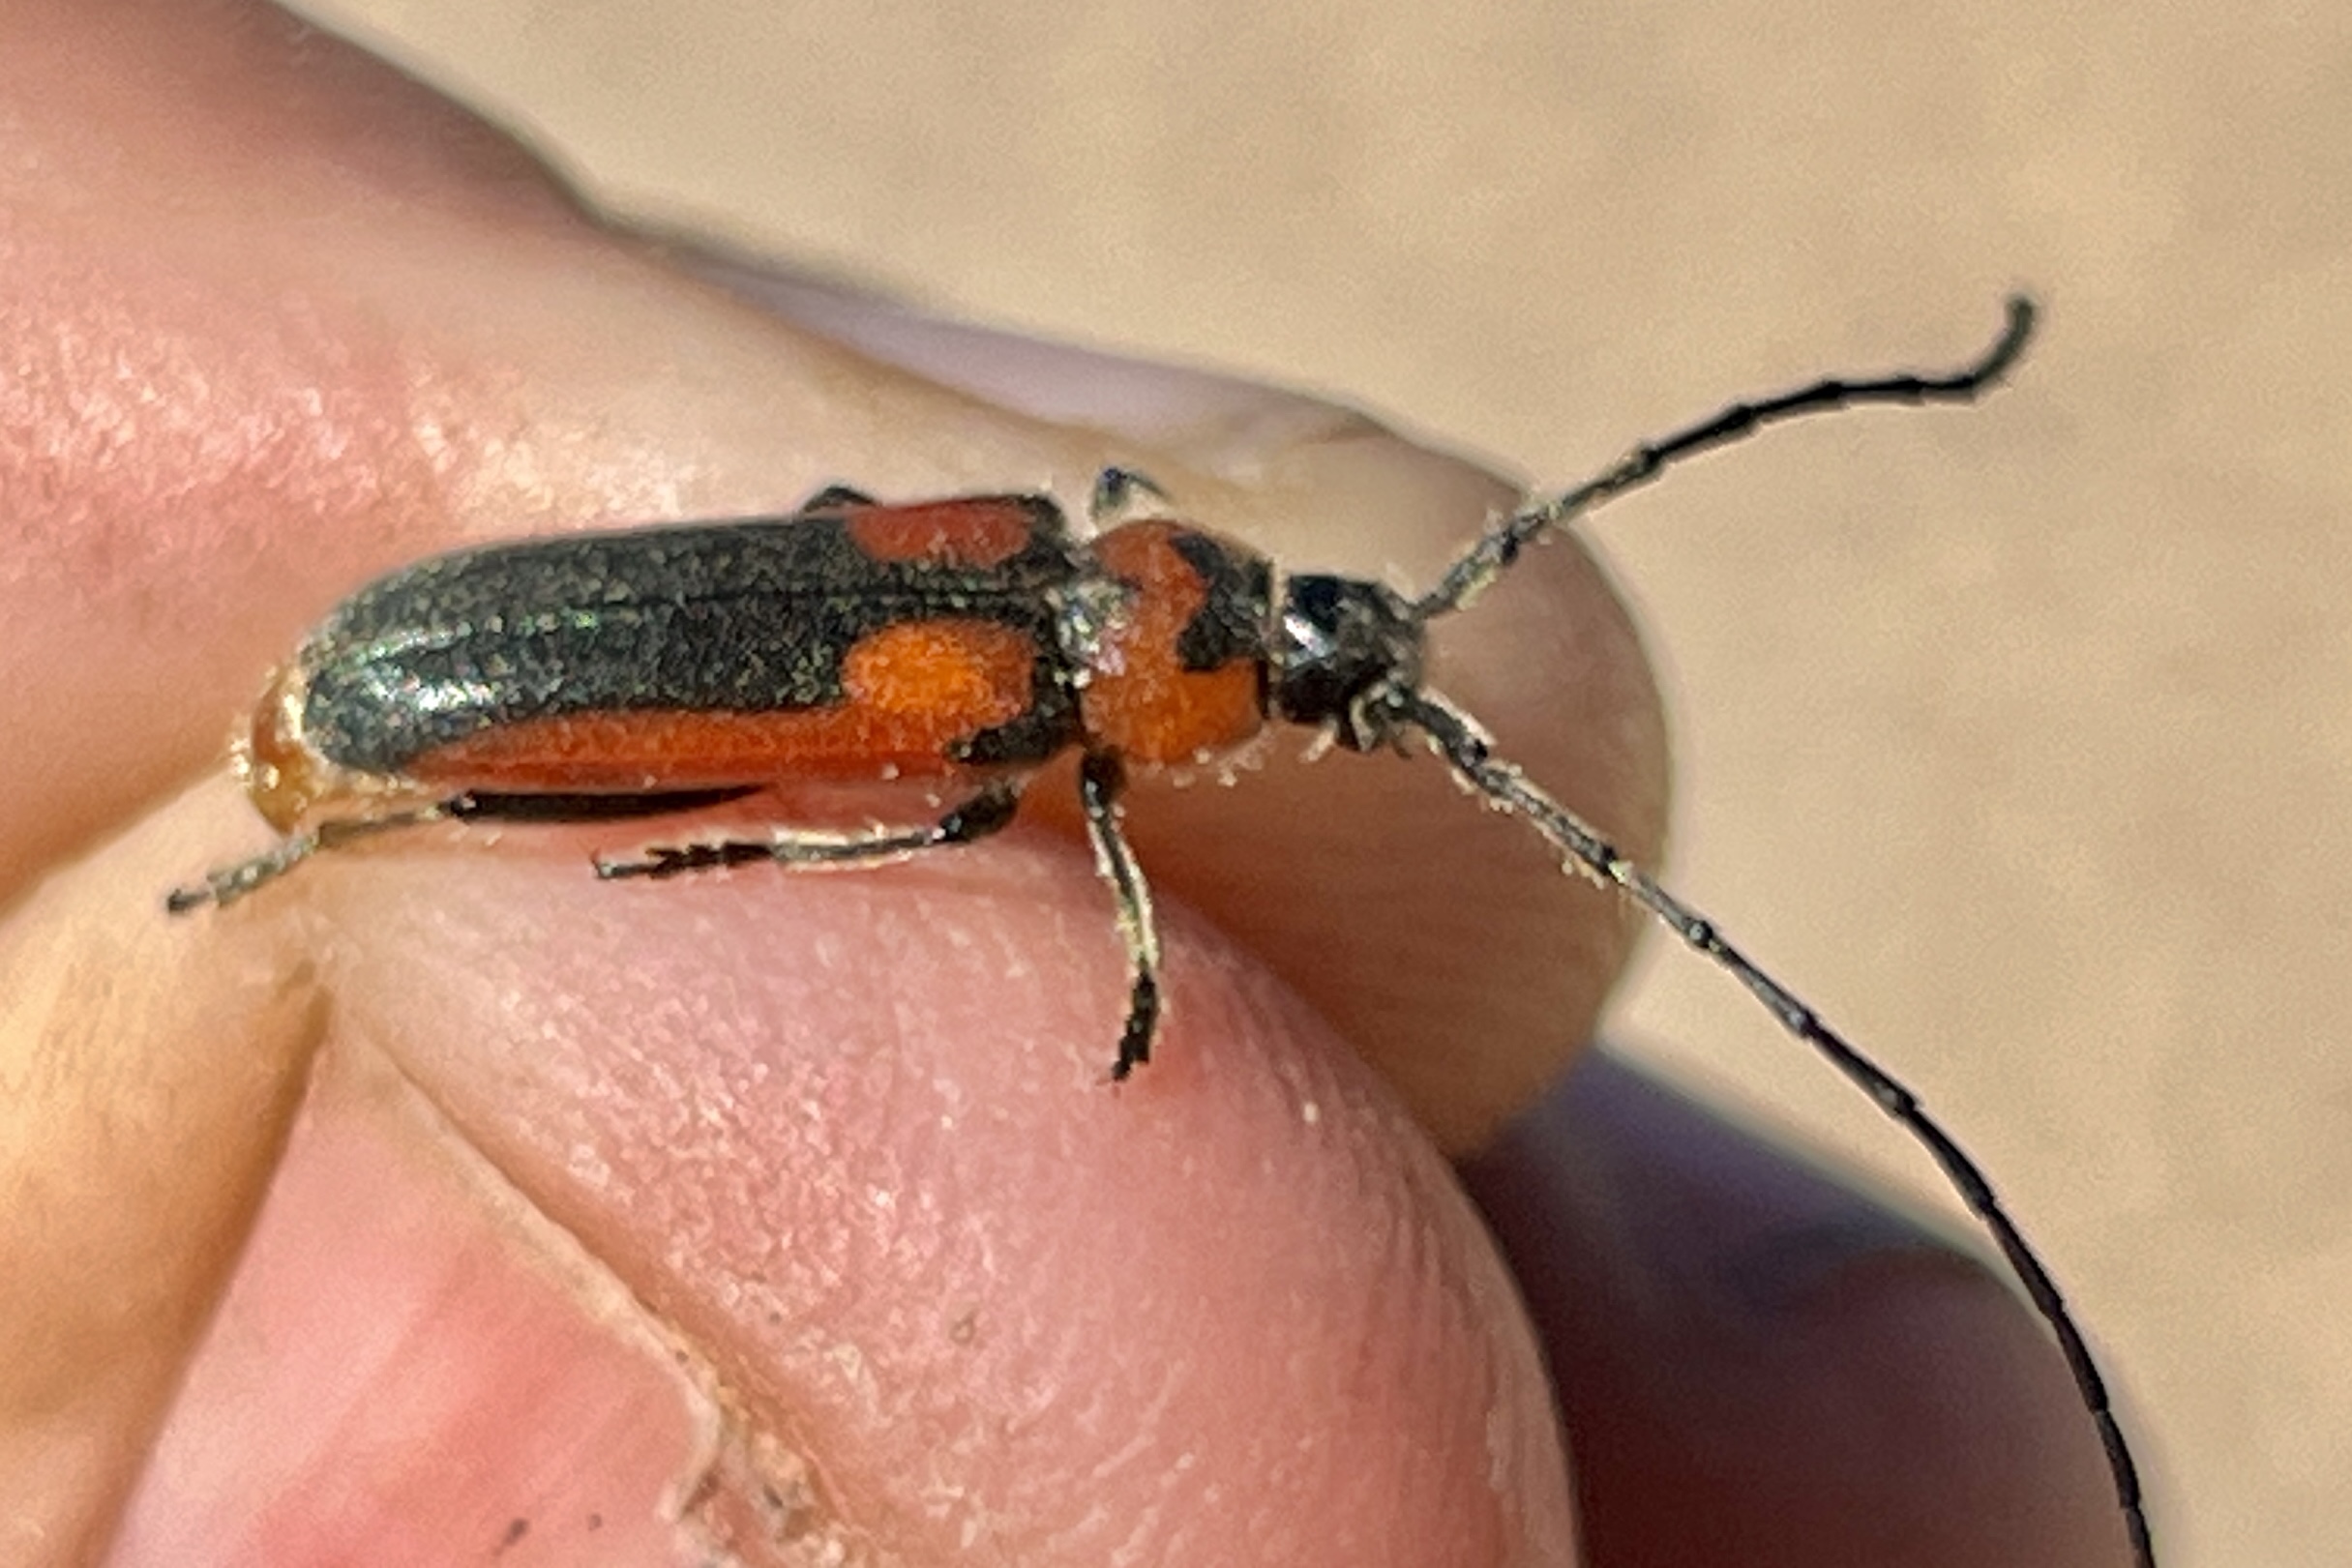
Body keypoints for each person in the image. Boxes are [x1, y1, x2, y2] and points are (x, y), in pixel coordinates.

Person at [0, 4, 2129, 1562]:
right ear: (1207, 628)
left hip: (434, 635)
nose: (1321, 680)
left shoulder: (1056, 584)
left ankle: (390, 810)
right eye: (1312, 665)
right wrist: (895, 870)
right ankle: (383, 808)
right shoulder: (1047, 725)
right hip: (420, 678)